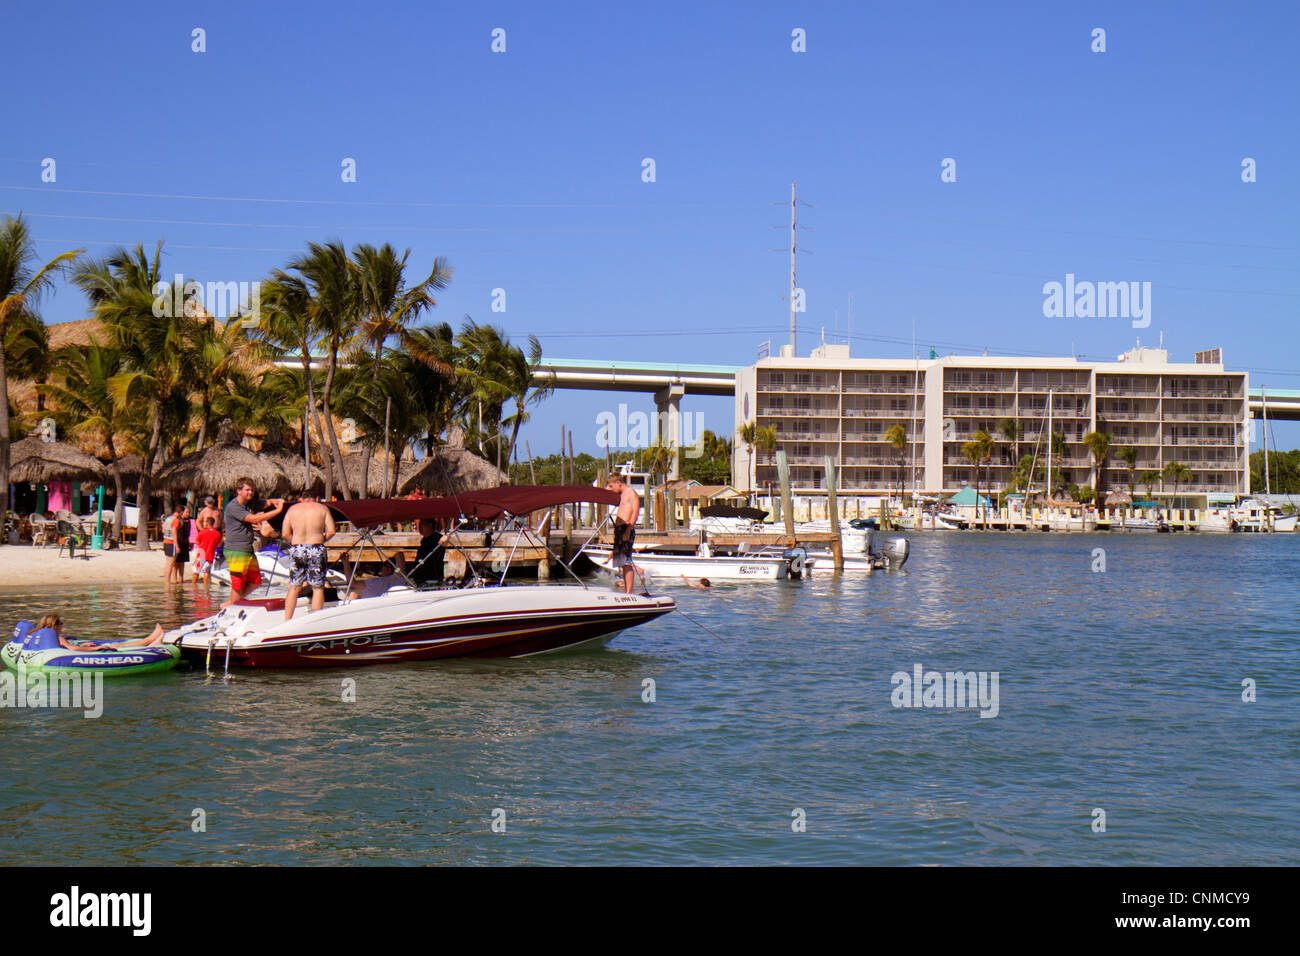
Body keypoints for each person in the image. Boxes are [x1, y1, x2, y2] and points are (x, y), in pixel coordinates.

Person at [221, 478, 286, 607]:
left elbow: (268, 502)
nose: (250, 492)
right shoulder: (234, 507)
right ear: (238, 491)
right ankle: (233, 605)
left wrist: (278, 501)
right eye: (247, 490)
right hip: (236, 550)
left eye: (252, 490)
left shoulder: (250, 504)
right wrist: (277, 511)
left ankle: (231, 603)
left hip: (247, 549)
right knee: (238, 584)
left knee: (256, 581)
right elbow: (253, 518)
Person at [282, 492, 337, 620]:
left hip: (297, 548)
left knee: (294, 586)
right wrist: (321, 540)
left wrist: (295, 542)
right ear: (316, 498)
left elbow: (285, 533)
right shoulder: (322, 508)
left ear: (301, 499)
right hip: (316, 547)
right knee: (317, 587)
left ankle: (287, 620)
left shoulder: (292, 509)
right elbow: (332, 531)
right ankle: (314, 620)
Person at [606, 474, 641, 594]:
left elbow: (636, 511)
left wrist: (628, 529)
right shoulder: (621, 495)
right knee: (621, 563)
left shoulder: (631, 492)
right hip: (619, 529)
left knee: (626, 562)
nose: (610, 489)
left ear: (618, 483)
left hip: (626, 527)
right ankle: (626, 590)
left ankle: (629, 592)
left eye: (611, 486)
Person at [408, 517, 447, 586]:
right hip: (419, 577)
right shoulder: (424, 540)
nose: (420, 527)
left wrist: (445, 539)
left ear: (430, 525)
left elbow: (444, 543)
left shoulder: (437, 538)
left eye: (422, 525)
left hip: (431, 578)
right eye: (419, 525)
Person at [191, 516, 223, 586]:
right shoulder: (217, 534)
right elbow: (219, 545)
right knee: (206, 572)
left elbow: (197, 542)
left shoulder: (202, 532)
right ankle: (206, 590)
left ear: (207, 523)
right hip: (210, 556)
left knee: (196, 572)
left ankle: (193, 588)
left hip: (201, 555)